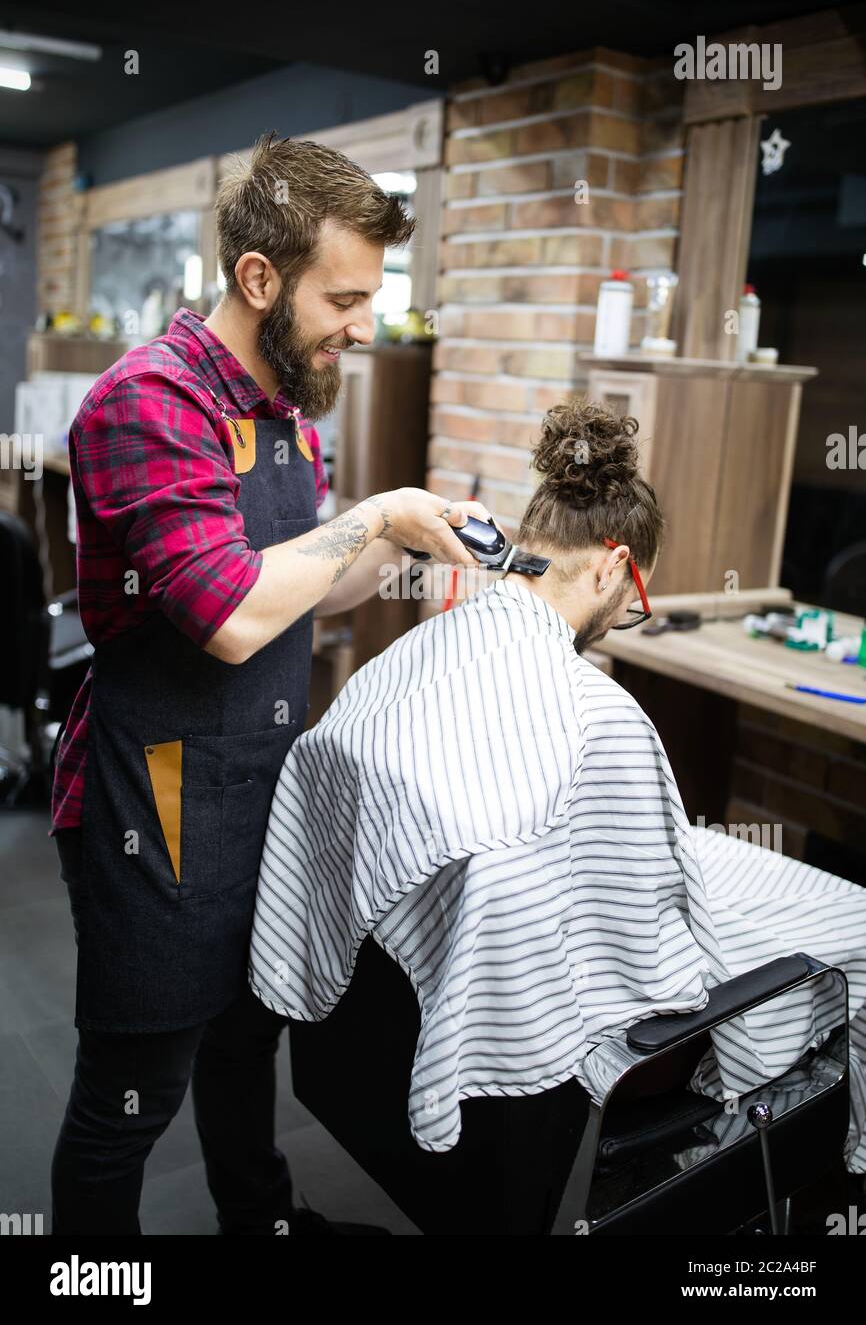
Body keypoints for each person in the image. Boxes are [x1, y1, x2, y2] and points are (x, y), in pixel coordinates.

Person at [49, 130, 493, 1235]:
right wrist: (374, 515)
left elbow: (309, 590)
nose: (363, 323)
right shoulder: (144, 404)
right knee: (132, 1097)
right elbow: (231, 614)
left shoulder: (289, 405)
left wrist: (411, 551)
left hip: (264, 790)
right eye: (343, 296)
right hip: (156, 804)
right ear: (258, 278)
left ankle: (263, 1222)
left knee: (246, 1042)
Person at [250, 401, 866, 1191]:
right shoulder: (598, 721)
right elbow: (662, 959)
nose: (623, 614)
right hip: (559, 1058)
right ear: (612, 567)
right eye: (633, 597)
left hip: (386, 1021)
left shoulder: (417, 654)